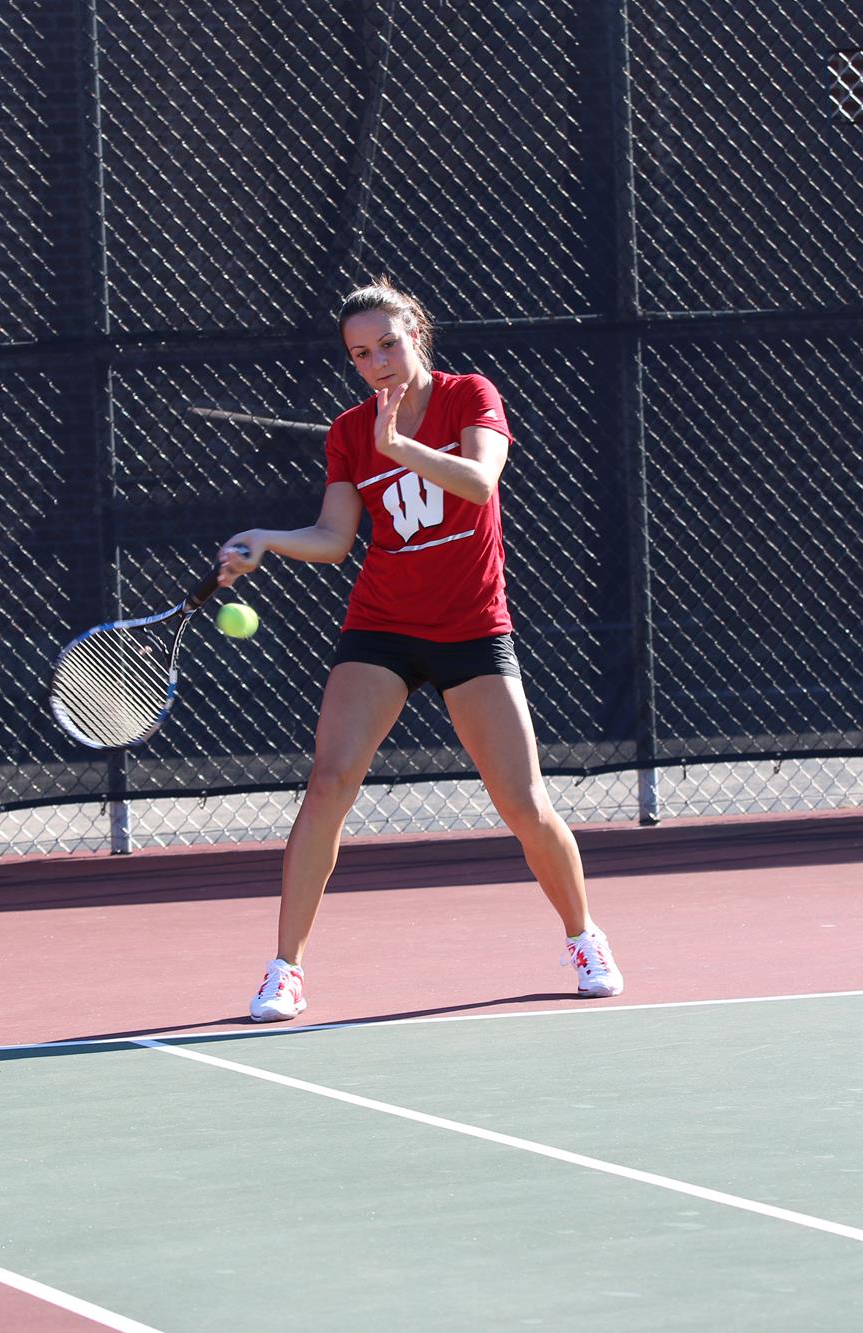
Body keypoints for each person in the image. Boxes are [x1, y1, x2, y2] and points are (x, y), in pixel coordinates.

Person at [216, 279, 623, 1022]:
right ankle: (286, 969)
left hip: (472, 626)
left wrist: (399, 444)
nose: (377, 364)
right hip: (383, 625)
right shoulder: (349, 431)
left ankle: (583, 936)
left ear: (418, 335)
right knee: (329, 780)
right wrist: (266, 540)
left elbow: (477, 481)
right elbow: (337, 540)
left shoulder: (470, 395)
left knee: (523, 802)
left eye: (388, 345)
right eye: (360, 354)